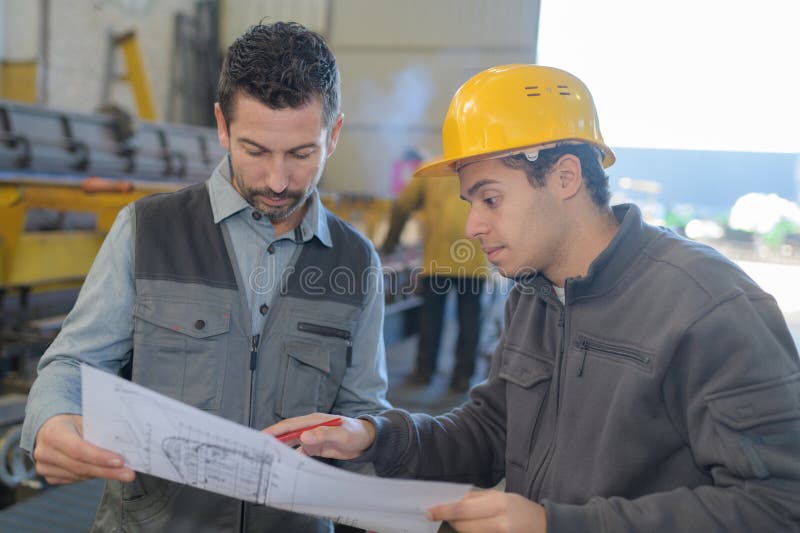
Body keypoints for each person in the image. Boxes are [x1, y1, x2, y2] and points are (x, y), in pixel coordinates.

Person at [266, 64, 800, 532]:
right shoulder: (535, 295)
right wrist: (377, 436)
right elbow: (496, 429)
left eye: (491, 199)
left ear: (565, 176)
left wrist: (557, 526)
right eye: (470, 202)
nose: (472, 226)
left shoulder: (706, 306)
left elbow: (779, 507)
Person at [21, 21, 390, 532]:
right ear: (222, 125)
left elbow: (364, 406)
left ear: (334, 134)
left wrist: (368, 434)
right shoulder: (148, 230)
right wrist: (51, 419)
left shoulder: (356, 262)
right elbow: (72, 362)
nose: (278, 180)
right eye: (255, 150)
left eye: (302, 154)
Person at [382, 149, 489, 392]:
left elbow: (402, 205)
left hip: (437, 259)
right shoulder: (484, 167)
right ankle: (463, 377)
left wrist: (391, 241)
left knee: (431, 318)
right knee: (470, 319)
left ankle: (424, 372)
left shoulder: (432, 169)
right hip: (473, 259)